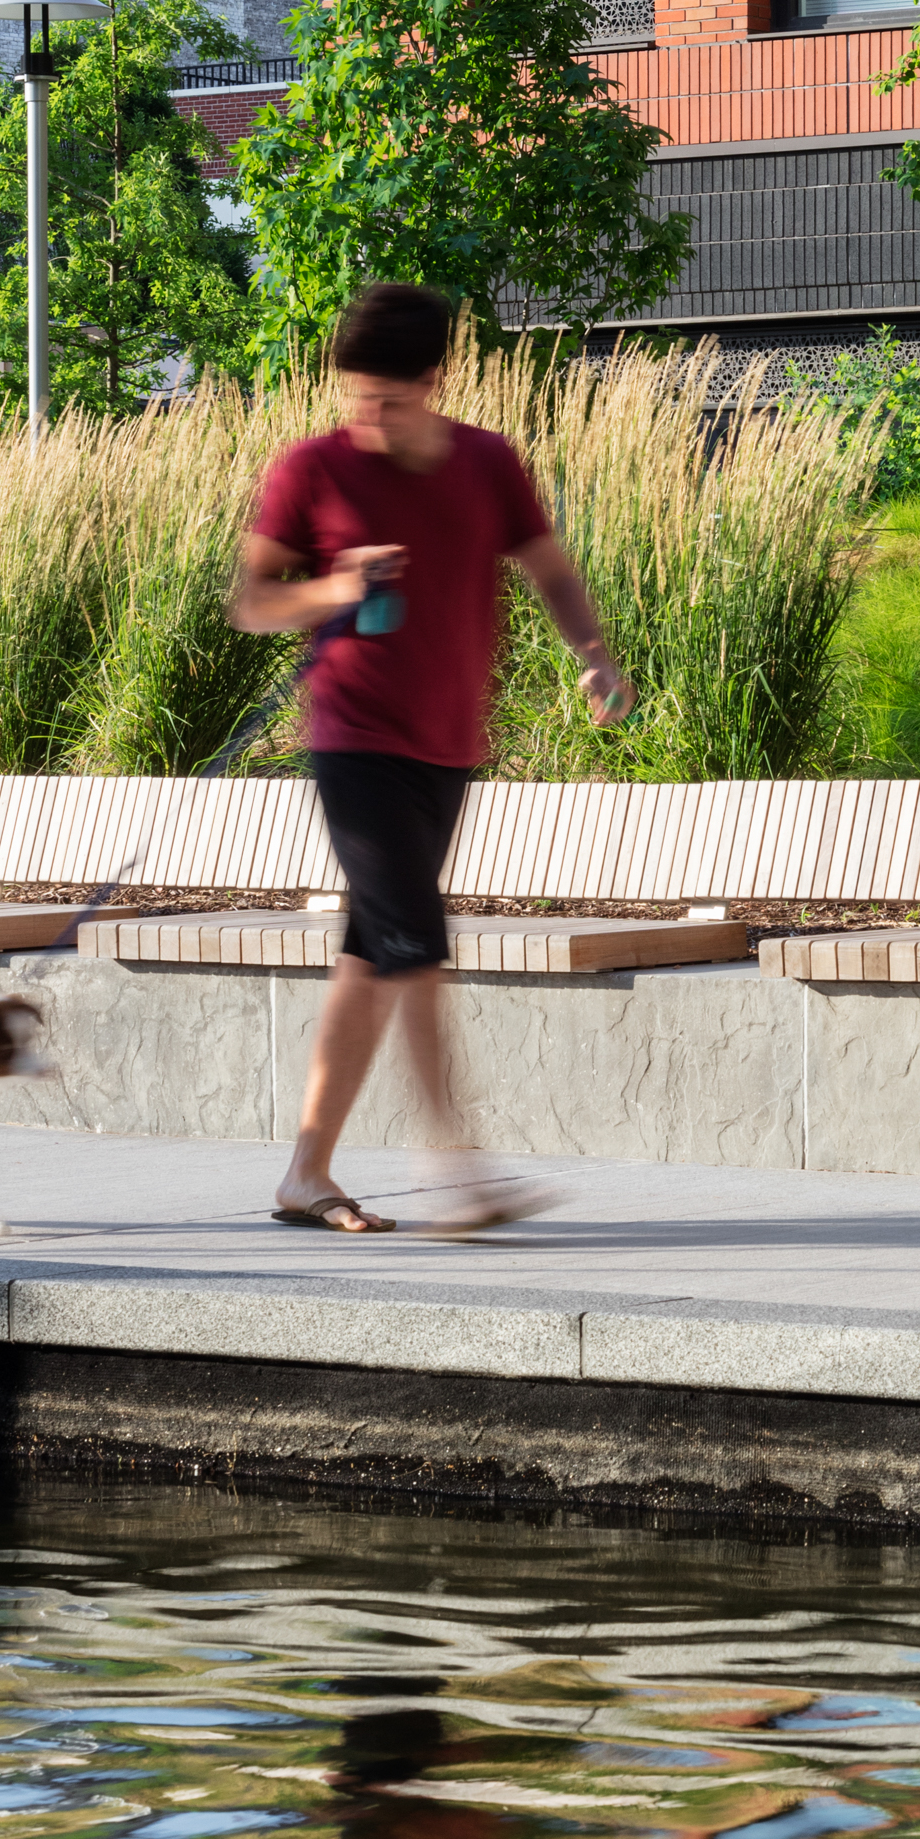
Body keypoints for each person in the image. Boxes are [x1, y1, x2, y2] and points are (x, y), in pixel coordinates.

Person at [233, 281, 630, 1234]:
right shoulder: (314, 468)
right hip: (352, 742)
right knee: (416, 948)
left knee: (374, 955)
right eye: (356, 398)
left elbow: (549, 568)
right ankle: (457, 1169)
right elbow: (251, 601)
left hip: (448, 747)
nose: (369, 419)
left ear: (437, 381)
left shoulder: (489, 463)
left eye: (391, 401)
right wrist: (333, 585)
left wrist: (593, 655)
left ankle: (304, 1174)